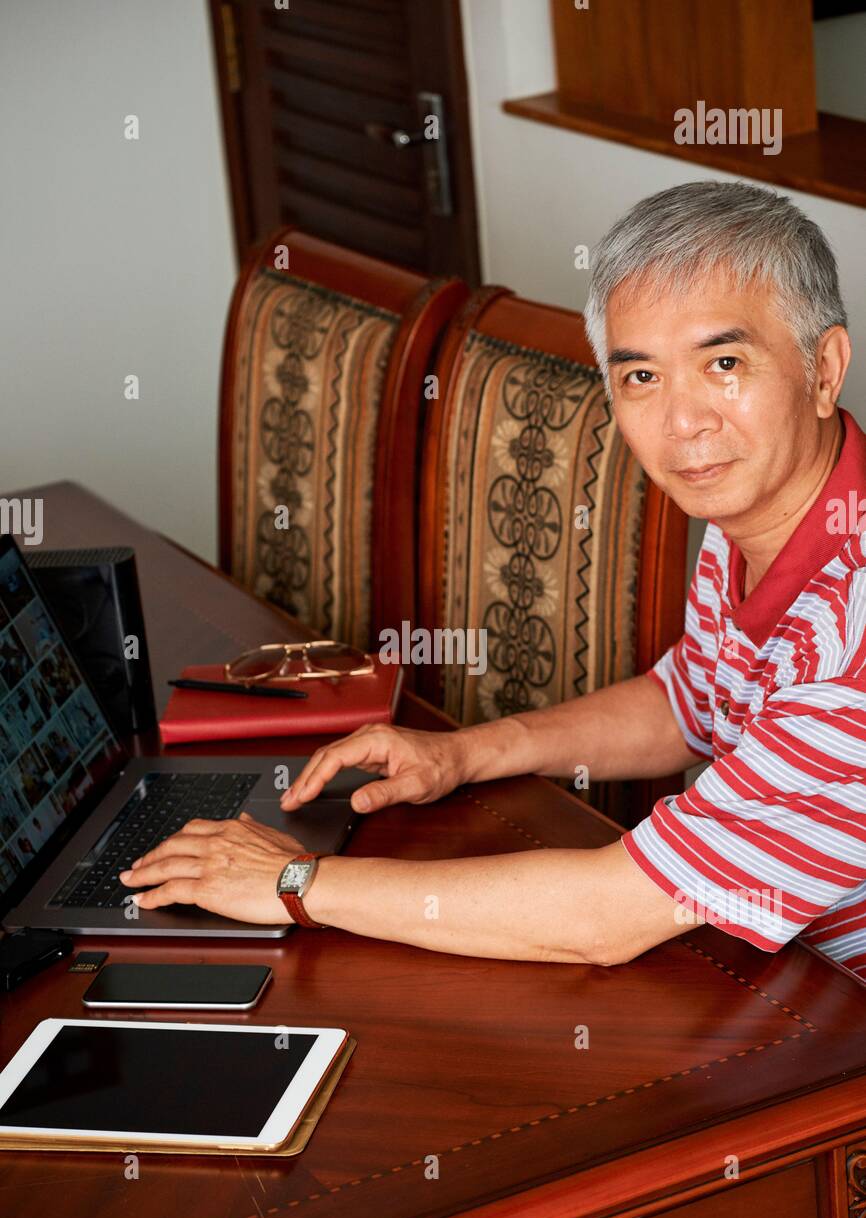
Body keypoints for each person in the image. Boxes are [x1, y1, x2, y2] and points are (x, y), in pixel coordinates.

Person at [120, 181, 866, 977]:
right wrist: (465, 754)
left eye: (724, 363)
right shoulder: (773, 506)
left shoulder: (849, 643)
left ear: (823, 369)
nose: (683, 424)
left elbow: (606, 917)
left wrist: (293, 882)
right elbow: (690, 700)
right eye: (641, 378)